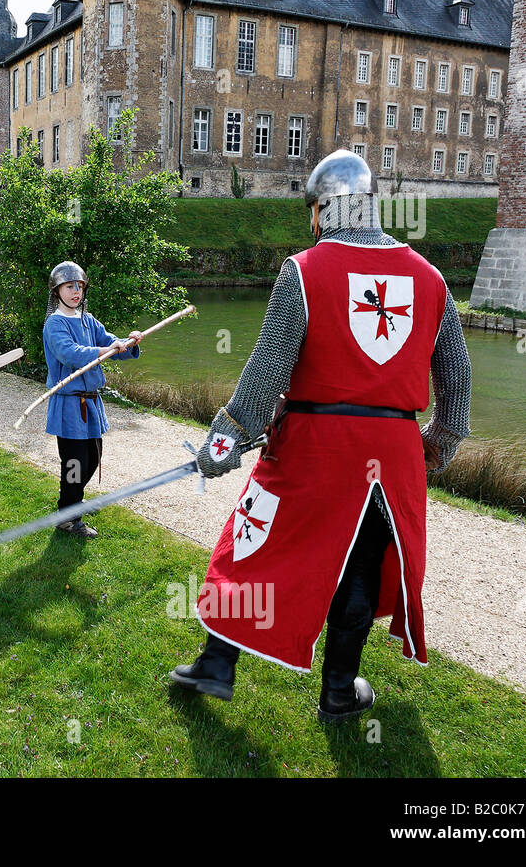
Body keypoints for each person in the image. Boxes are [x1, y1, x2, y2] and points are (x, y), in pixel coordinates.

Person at [169, 149, 472, 722]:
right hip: (392, 455)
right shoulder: (430, 279)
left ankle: (217, 664)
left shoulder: (304, 270)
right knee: (360, 566)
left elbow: (265, 374)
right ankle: (337, 692)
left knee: (256, 543)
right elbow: (456, 373)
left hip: (315, 448)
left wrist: (225, 439)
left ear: (323, 210)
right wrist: (441, 440)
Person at [41, 262, 143, 538]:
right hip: (70, 404)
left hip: (92, 404)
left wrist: (129, 342)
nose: (76, 291)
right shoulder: (54, 324)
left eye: (80, 286)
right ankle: (67, 514)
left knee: (93, 458)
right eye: (69, 286)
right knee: (74, 463)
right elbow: (70, 353)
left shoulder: (88, 320)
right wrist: (106, 348)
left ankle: (72, 502)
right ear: (57, 291)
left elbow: (113, 345)